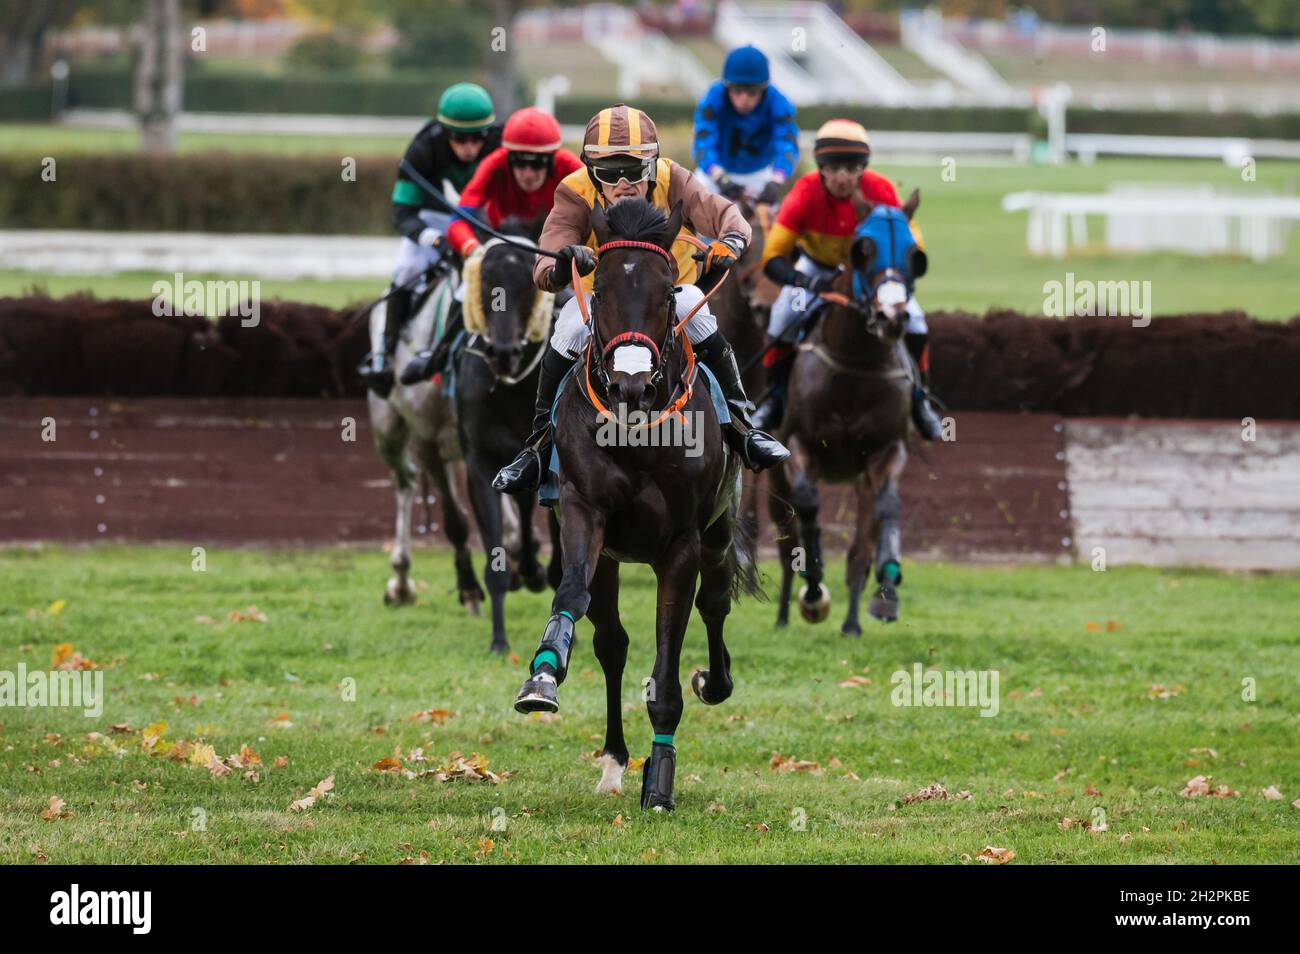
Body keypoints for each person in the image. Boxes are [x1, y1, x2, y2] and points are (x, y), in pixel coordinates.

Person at [491, 103, 790, 496]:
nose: (623, 184)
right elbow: (545, 266)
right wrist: (566, 262)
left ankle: (741, 427)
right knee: (566, 324)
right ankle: (538, 446)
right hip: (606, 303)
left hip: (667, 296)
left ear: (653, 164)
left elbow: (727, 216)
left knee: (691, 308)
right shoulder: (574, 190)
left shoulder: (675, 179)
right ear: (589, 169)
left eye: (634, 171)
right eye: (609, 174)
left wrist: (730, 242)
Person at [753, 119, 944, 440]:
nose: (843, 177)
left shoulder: (882, 190)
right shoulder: (803, 194)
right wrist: (806, 283)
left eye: (852, 168)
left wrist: (895, 278)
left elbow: (914, 246)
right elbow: (772, 259)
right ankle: (774, 399)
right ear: (821, 168)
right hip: (817, 271)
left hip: (872, 277)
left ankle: (919, 399)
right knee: (783, 313)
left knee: (916, 323)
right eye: (833, 167)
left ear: (863, 169)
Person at [399, 107, 583, 384]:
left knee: (574, 303)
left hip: (548, 251)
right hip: (500, 248)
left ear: (553, 159)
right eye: (520, 163)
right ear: (507, 157)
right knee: (465, 289)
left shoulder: (571, 169)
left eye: (537, 164)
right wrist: (473, 249)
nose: (528, 173)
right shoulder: (493, 164)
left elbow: (600, 210)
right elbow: (458, 221)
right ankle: (437, 356)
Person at [359, 82, 500, 396]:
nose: (469, 147)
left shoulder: (500, 143)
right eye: (459, 138)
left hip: (484, 221)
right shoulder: (423, 148)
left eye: (477, 138)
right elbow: (403, 210)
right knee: (407, 272)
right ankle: (383, 356)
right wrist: (434, 240)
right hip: (432, 220)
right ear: (444, 131)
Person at [692, 45, 799, 206]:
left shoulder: (778, 102)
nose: (744, 99)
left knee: (770, 221)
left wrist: (777, 180)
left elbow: (787, 144)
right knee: (693, 209)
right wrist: (720, 177)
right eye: (737, 90)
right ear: (727, 86)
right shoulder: (712, 98)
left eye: (752, 91)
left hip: (760, 175)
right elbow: (702, 143)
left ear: (763, 89)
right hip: (715, 173)